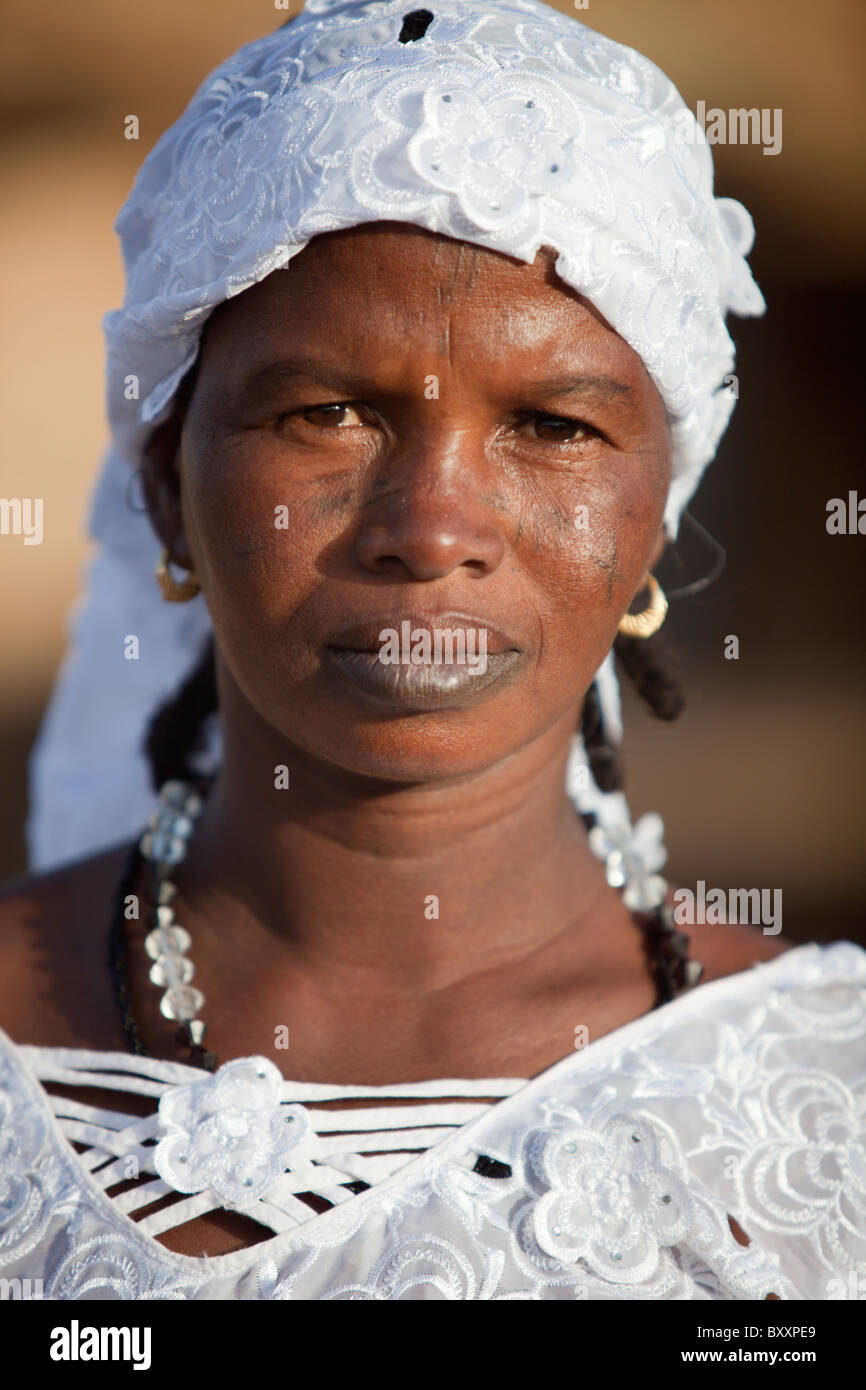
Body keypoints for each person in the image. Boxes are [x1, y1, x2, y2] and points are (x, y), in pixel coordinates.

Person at [1, 0, 863, 1301]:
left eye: (552, 426)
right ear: (170, 489)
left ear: (653, 520)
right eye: (326, 412)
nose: (432, 528)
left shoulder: (825, 1107)